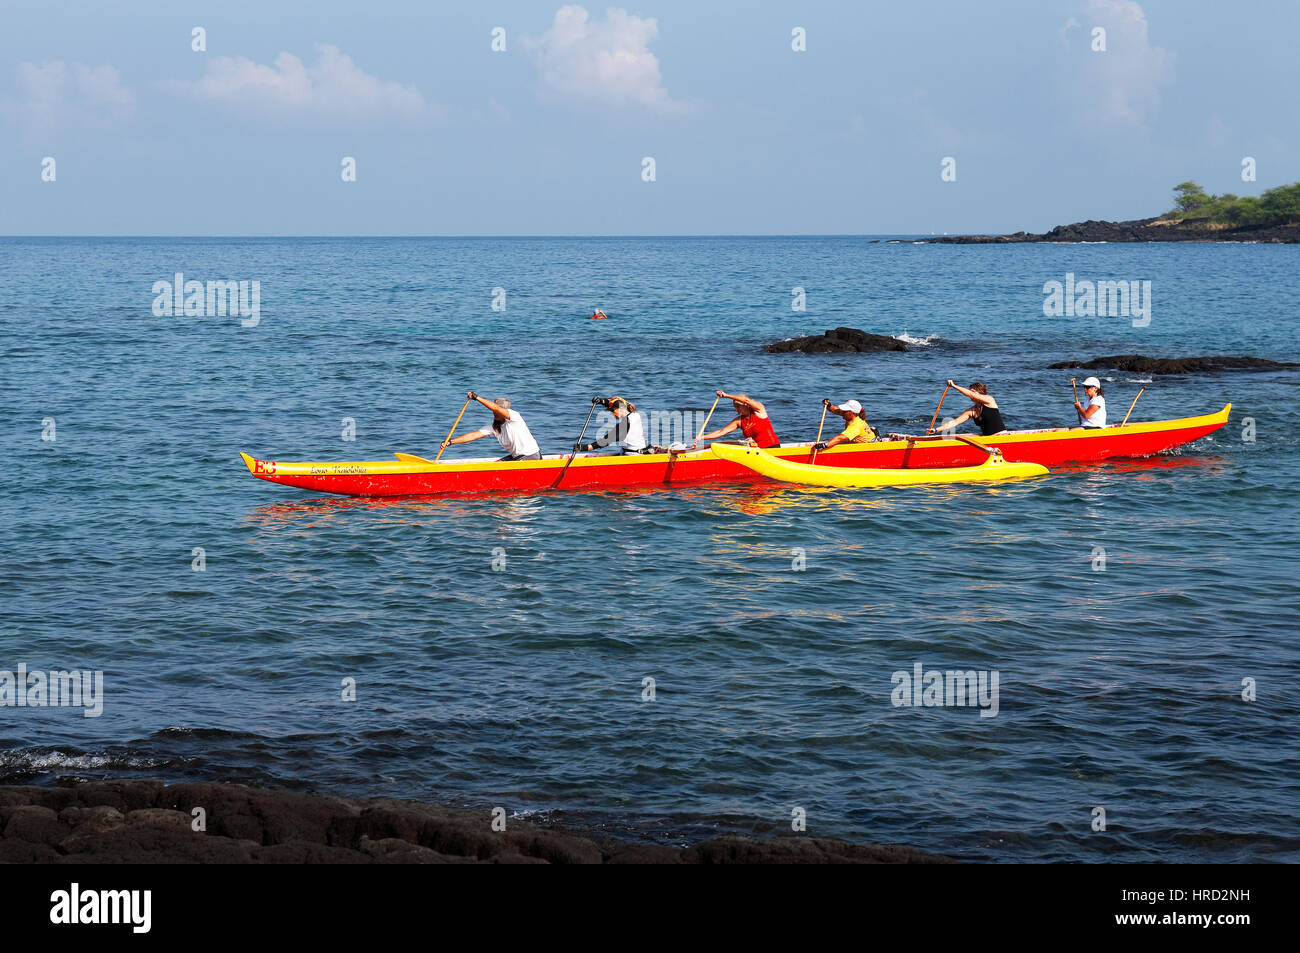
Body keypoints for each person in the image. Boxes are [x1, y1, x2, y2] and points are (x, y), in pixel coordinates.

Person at [441, 392, 541, 460]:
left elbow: (496, 408)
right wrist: (450, 442)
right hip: (517, 457)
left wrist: (477, 398)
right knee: (496, 465)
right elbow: (473, 435)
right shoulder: (494, 427)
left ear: (504, 411)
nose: (495, 413)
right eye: (494, 411)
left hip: (531, 456)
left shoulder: (515, 417)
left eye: (498, 411)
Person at [697, 390, 780, 448]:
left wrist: (726, 395)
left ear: (745, 405)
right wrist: (702, 437)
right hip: (757, 451)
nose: (736, 409)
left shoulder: (759, 410)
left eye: (738, 406)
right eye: (735, 407)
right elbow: (721, 432)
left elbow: (746, 399)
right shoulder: (739, 421)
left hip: (772, 448)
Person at [927, 380, 1008, 436]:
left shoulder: (989, 400)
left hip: (1001, 436)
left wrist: (954, 386)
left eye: (973, 391)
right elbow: (955, 422)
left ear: (981, 393)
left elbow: (970, 394)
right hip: (988, 439)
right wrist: (936, 430)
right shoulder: (972, 411)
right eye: (970, 391)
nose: (970, 394)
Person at [579, 397, 648, 454]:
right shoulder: (635, 414)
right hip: (632, 452)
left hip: (633, 457)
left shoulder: (626, 423)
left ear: (620, 409)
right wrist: (601, 401)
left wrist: (584, 447)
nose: (612, 413)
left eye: (612, 411)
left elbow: (607, 440)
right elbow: (611, 402)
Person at [813, 399, 877, 451]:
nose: (842, 412)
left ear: (852, 413)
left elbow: (840, 438)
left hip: (869, 447)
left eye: (844, 411)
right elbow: (835, 410)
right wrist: (829, 405)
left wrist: (824, 445)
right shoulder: (851, 416)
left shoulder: (855, 425)